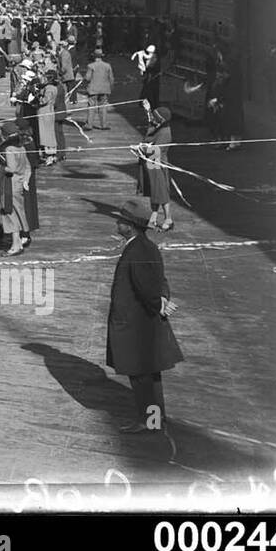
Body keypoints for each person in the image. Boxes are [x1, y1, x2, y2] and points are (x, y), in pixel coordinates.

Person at [106, 199, 183, 457]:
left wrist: (157, 303)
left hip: (137, 326)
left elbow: (145, 285)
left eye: (121, 221)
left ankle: (150, 423)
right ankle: (154, 420)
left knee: (142, 378)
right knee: (148, 376)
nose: (117, 223)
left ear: (131, 227)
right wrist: (160, 300)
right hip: (142, 323)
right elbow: (158, 281)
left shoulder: (137, 251)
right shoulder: (144, 247)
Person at [0, 120, 32, 255]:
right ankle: (18, 242)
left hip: (9, 185)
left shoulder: (9, 149)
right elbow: (27, 167)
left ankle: (15, 245)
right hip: (19, 184)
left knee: (8, 213)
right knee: (17, 212)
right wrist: (25, 180)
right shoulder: (21, 147)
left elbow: (11, 168)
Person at [135, 106, 175, 230]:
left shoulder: (165, 132)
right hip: (150, 164)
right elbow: (151, 123)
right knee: (154, 191)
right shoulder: (158, 126)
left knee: (161, 192)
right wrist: (148, 109)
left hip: (157, 165)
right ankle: (153, 217)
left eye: (155, 117)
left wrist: (140, 149)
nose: (153, 119)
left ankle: (168, 218)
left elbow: (156, 150)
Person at [85, 47, 114, 129]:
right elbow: (111, 78)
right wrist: (110, 88)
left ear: (94, 56)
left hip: (93, 89)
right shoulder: (107, 66)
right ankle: (104, 124)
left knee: (91, 107)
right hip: (104, 89)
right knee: (103, 107)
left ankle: (89, 125)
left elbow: (88, 78)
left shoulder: (91, 66)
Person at [36, 70, 59, 165]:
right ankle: (52, 155)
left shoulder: (49, 88)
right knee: (49, 133)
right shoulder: (54, 87)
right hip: (50, 111)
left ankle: (49, 155)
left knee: (45, 135)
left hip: (45, 112)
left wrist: (38, 95)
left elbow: (44, 101)